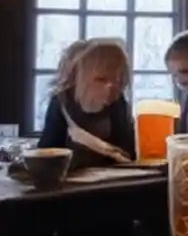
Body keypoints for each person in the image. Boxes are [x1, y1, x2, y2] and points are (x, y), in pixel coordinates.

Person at [38, 38, 134, 167]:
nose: (110, 87)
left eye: (117, 80)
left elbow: (128, 153)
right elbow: (46, 151)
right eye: (101, 79)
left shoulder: (118, 103)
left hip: (111, 178)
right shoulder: (61, 103)